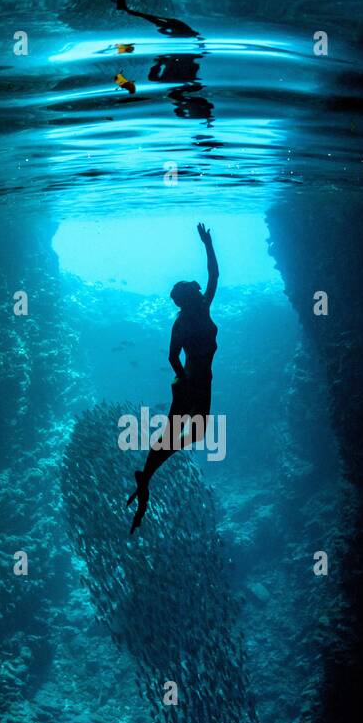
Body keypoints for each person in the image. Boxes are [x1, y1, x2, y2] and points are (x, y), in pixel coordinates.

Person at [127, 223, 219, 533]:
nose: (198, 289)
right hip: (191, 384)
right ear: (186, 299)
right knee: (177, 433)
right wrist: (185, 380)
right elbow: (171, 357)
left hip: (202, 381)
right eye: (193, 290)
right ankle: (146, 479)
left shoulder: (203, 307)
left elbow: (214, 276)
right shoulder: (181, 324)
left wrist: (208, 244)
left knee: (193, 433)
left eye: (196, 290)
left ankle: (146, 477)